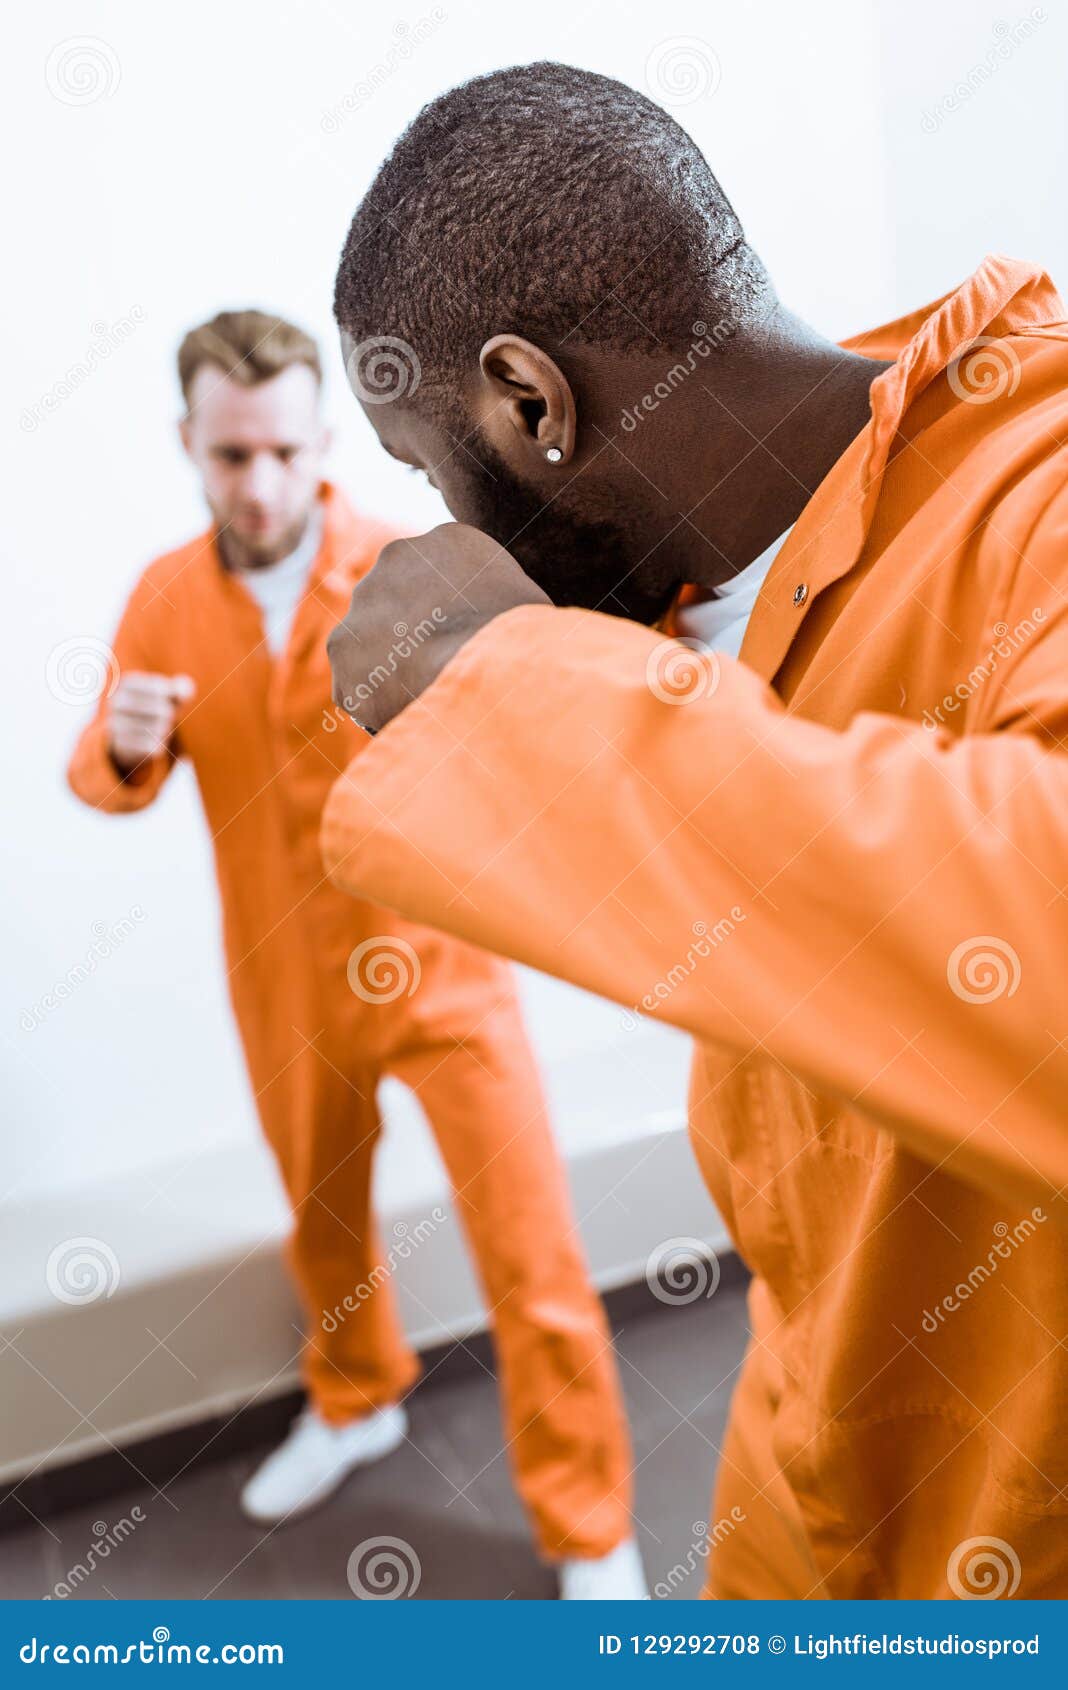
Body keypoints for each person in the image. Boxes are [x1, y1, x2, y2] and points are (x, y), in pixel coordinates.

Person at [321, 63, 1068, 1599]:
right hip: (807, 1514)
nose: (432, 526)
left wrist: (498, 674)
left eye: (426, 466)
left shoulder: (1038, 474)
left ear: (531, 402)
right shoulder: (685, 614)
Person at [67, 308, 645, 1600]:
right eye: (229, 457)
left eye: (280, 449)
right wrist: (120, 735)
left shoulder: (399, 566)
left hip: (440, 966)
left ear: (322, 434)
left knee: (533, 1247)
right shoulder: (163, 602)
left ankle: (591, 1516)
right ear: (191, 446)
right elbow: (105, 781)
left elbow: (516, 740)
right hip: (283, 983)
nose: (258, 482)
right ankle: (355, 1397)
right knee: (324, 1225)